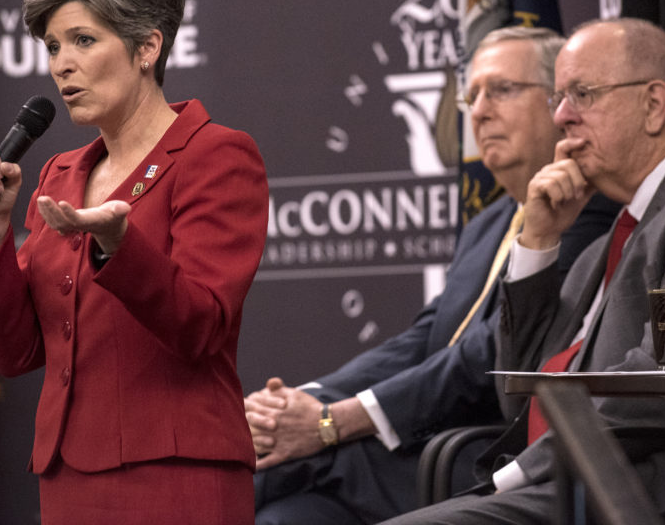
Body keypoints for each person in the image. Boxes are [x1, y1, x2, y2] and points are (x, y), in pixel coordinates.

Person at [381, 18, 665, 525]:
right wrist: (538, 242)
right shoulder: (602, 247)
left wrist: (516, 474)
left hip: (650, 486)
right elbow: (517, 390)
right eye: (558, 98)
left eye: (582, 94)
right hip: (571, 480)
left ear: (653, 104)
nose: (562, 117)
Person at [0, 0, 268, 524]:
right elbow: (15, 353)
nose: (60, 64)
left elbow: (201, 325)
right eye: (52, 46)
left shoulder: (216, 155)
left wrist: (119, 247)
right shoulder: (59, 173)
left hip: (178, 475)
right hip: (68, 478)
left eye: (83, 40)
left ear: (148, 46)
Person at [248, 27, 620, 524]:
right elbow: (427, 337)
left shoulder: (587, 217)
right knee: (286, 515)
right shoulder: (488, 221)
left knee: (266, 461)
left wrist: (333, 422)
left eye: (503, 90)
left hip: (480, 454)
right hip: (417, 446)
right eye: (473, 96)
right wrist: (307, 401)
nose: (480, 111)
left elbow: (486, 356)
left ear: (559, 105)